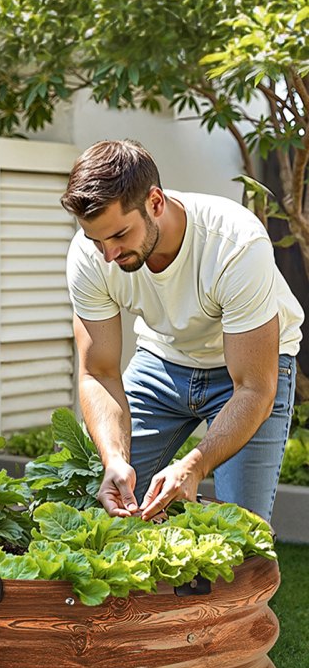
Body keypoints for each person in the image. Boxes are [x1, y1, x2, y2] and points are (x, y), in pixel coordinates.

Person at [60, 139, 304, 523]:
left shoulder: (236, 243)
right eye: (96, 240)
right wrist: (114, 459)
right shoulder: (89, 257)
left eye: (120, 236)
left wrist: (194, 466)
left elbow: (255, 388)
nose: (108, 255)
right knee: (111, 504)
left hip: (245, 374)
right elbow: (99, 373)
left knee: (241, 529)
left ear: (155, 203)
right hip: (162, 361)